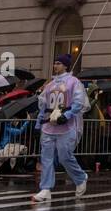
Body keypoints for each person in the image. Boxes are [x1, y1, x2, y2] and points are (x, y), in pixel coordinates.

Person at [32, 53, 89, 202]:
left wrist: (68, 115)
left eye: (58, 63)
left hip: (66, 125)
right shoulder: (50, 85)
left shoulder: (73, 82)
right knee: (46, 157)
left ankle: (80, 177)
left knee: (64, 156)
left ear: (65, 65)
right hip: (49, 126)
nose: (55, 65)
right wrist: (38, 124)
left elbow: (78, 102)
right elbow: (43, 106)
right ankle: (45, 188)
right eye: (54, 63)